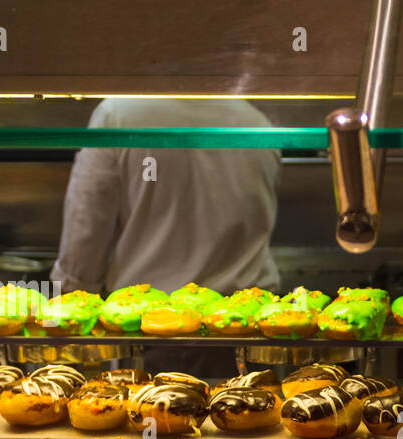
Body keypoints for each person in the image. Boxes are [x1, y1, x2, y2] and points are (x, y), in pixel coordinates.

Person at [51, 98, 280, 294]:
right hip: (246, 321)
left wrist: (70, 295)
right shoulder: (257, 123)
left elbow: (86, 228)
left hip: (147, 320)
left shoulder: (117, 115)